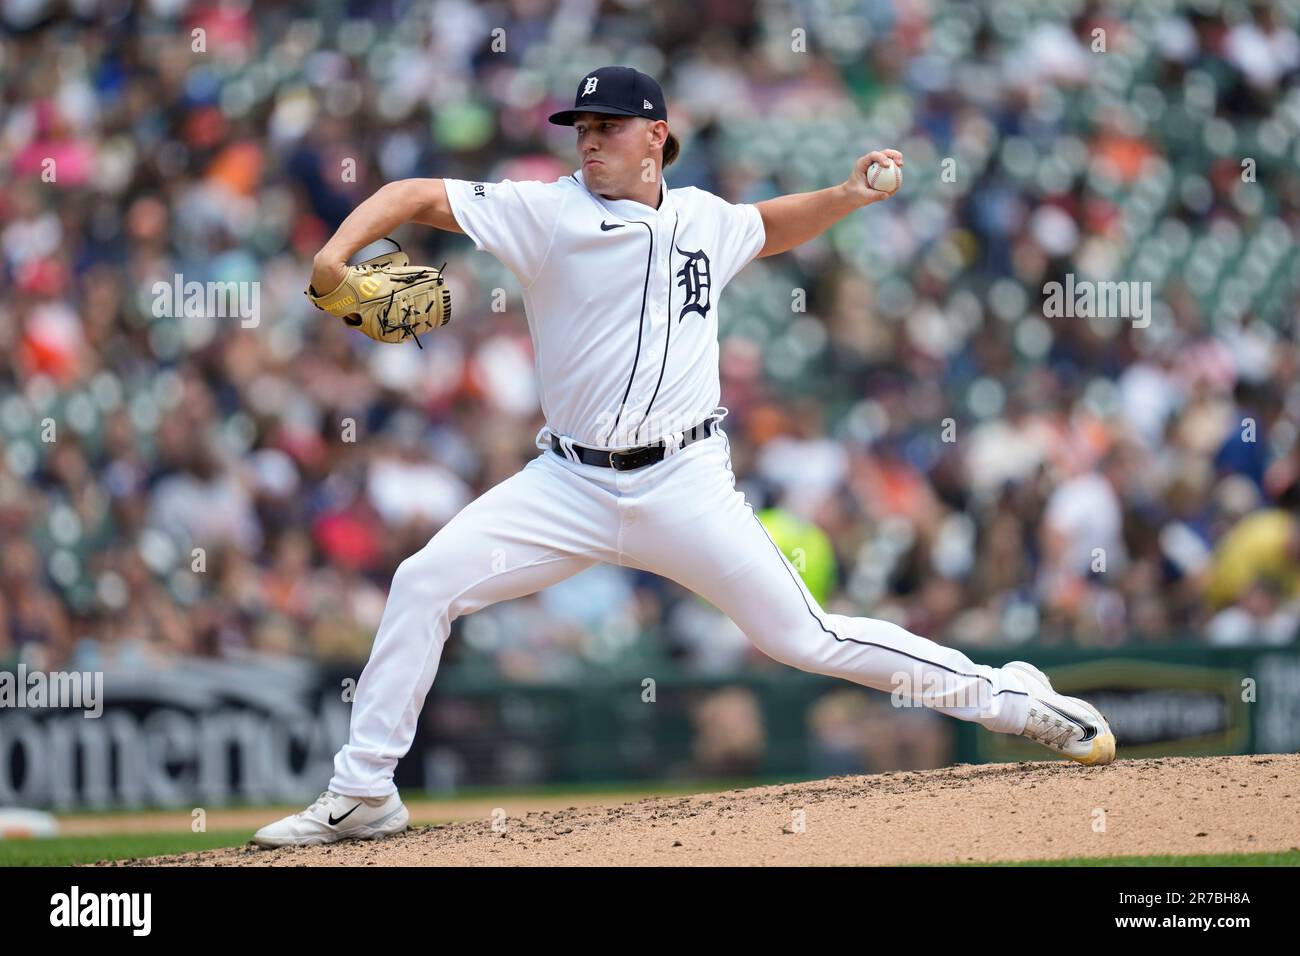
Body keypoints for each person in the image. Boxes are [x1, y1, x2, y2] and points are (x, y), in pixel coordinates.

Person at [254, 67, 1115, 848]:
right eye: (580, 126)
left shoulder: (704, 217)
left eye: (608, 125)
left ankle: (1017, 701)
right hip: (566, 482)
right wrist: (334, 256)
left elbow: (767, 228)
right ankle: (364, 791)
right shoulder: (546, 212)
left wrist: (845, 195)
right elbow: (412, 194)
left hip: (685, 482)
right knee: (422, 582)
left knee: (805, 638)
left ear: (656, 136)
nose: (588, 139)